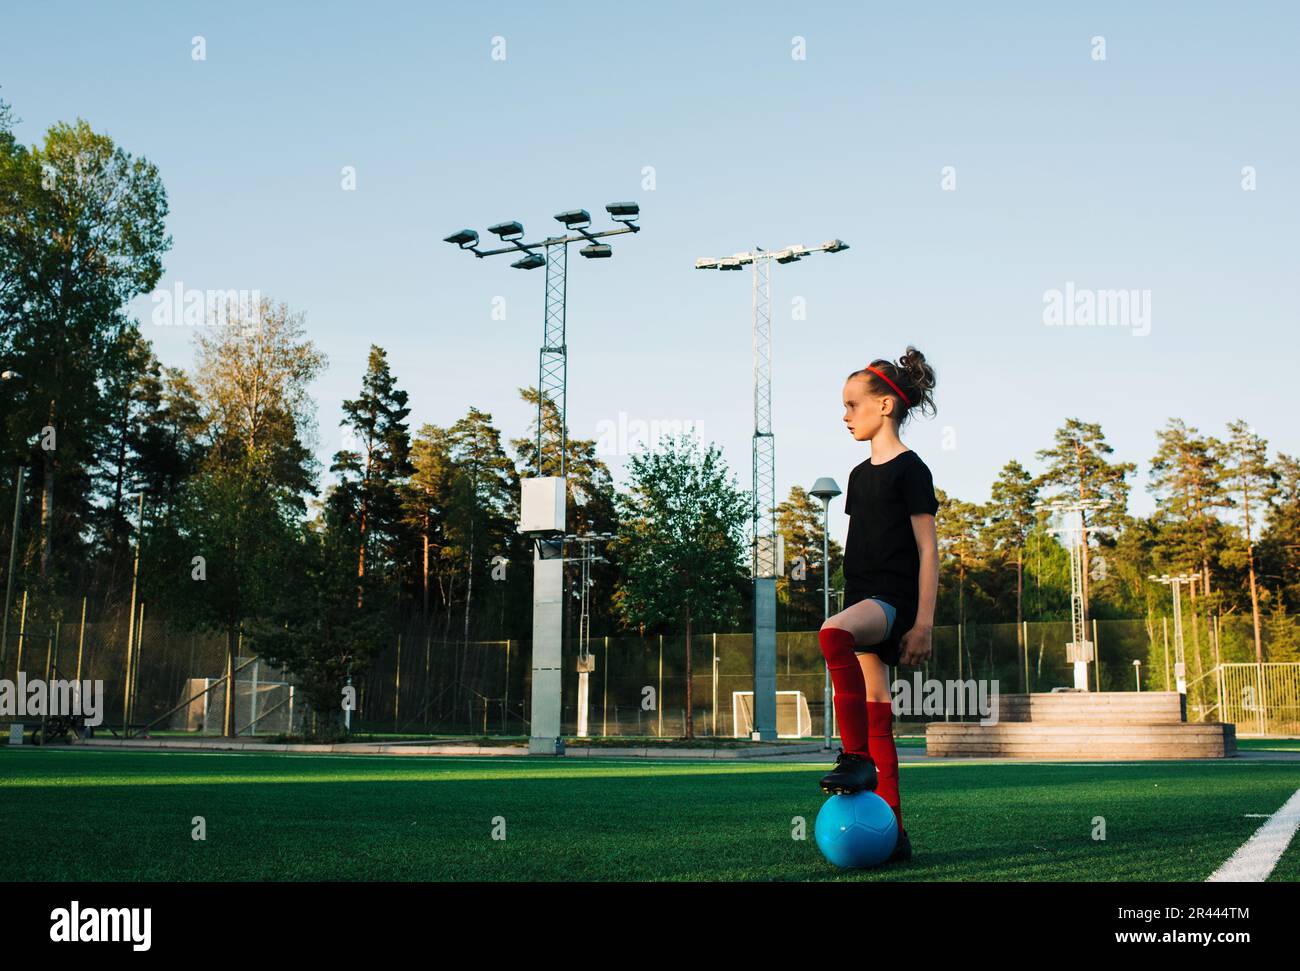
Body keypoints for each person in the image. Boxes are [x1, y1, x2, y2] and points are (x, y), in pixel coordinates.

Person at [817, 345, 939, 865]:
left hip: (892, 600)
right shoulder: (857, 476)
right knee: (878, 713)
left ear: (884, 405)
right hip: (861, 596)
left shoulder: (911, 469)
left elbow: (929, 550)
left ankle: (855, 759)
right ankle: (897, 834)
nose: (844, 416)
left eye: (852, 404)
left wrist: (923, 624)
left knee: (831, 634)